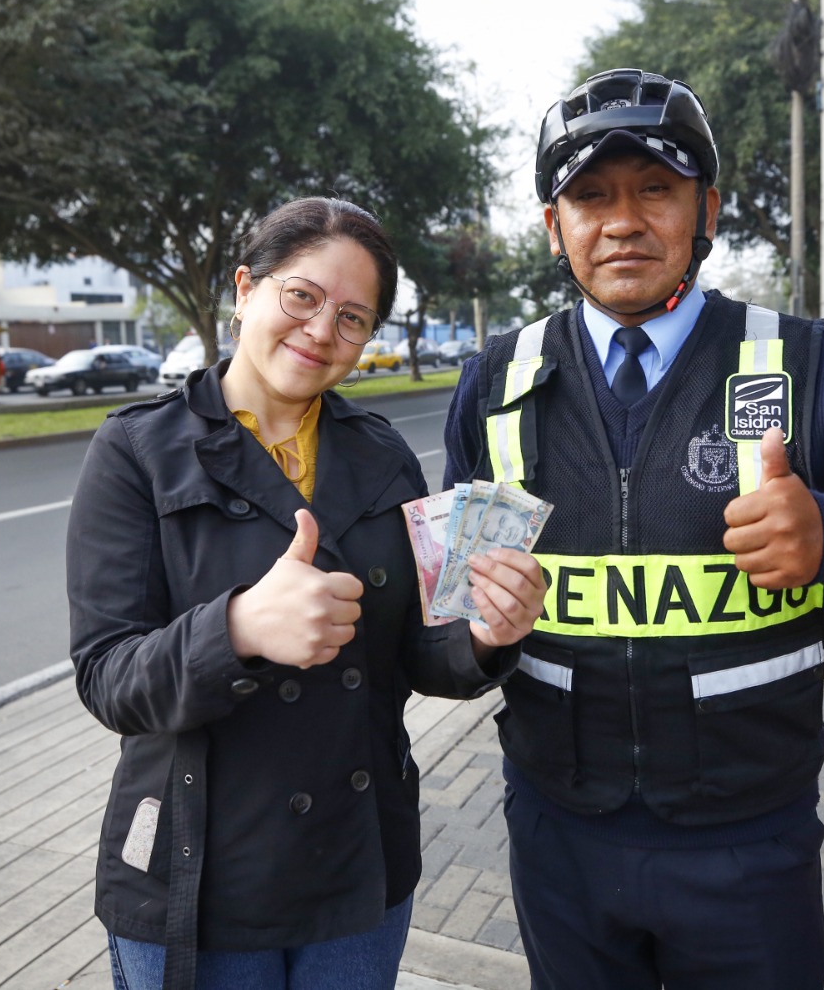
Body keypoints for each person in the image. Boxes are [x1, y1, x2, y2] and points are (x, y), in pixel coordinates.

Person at [443, 69, 824, 989]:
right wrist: (474, 640)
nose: (622, 221)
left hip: (749, 844)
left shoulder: (804, 362)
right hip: (557, 834)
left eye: (655, 189)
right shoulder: (496, 380)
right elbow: (446, 615)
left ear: (708, 211)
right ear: (555, 227)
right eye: (589, 196)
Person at [68, 197, 547, 990]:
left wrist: (491, 632)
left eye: (354, 318)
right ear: (246, 287)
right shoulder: (138, 451)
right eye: (303, 296)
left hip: (356, 872)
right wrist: (240, 628)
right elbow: (108, 677)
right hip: (202, 879)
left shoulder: (382, 453)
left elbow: (418, 652)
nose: (323, 331)